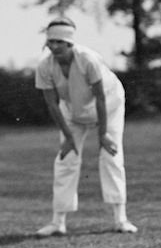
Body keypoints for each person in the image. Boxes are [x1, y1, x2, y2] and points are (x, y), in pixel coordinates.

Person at [32, 17, 136, 236]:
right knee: (66, 160)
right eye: (50, 42)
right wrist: (68, 138)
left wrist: (104, 134)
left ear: (69, 42)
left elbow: (100, 99)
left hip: (109, 105)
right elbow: (52, 103)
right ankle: (58, 222)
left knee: (111, 156)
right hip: (73, 112)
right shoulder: (44, 66)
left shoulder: (88, 59)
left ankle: (121, 219)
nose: (54, 46)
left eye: (59, 42)